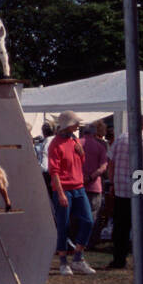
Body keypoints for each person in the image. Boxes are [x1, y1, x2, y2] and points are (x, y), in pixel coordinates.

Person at [106, 114, 143, 269]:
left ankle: (119, 259)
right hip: (141, 188)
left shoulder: (119, 139)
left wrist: (112, 182)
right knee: (142, 226)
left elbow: (110, 162)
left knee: (121, 228)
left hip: (122, 189)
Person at [46, 111, 96, 275]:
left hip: (78, 187)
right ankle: (63, 262)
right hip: (65, 189)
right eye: (75, 123)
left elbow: (79, 163)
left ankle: (77, 257)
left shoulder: (74, 140)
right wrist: (60, 193)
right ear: (68, 125)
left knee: (88, 221)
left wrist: (81, 153)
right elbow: (54, 172)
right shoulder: (55, 144)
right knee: (63, 225)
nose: (77, 126)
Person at [81, 118, 110, 245]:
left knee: (79, 214)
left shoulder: (77, 143)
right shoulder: (102, 145)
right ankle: (90, 240)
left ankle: (78, 240)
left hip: (78, 184)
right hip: (95, 184)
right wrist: (92, 177)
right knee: (94, 214)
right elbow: (104, 166)